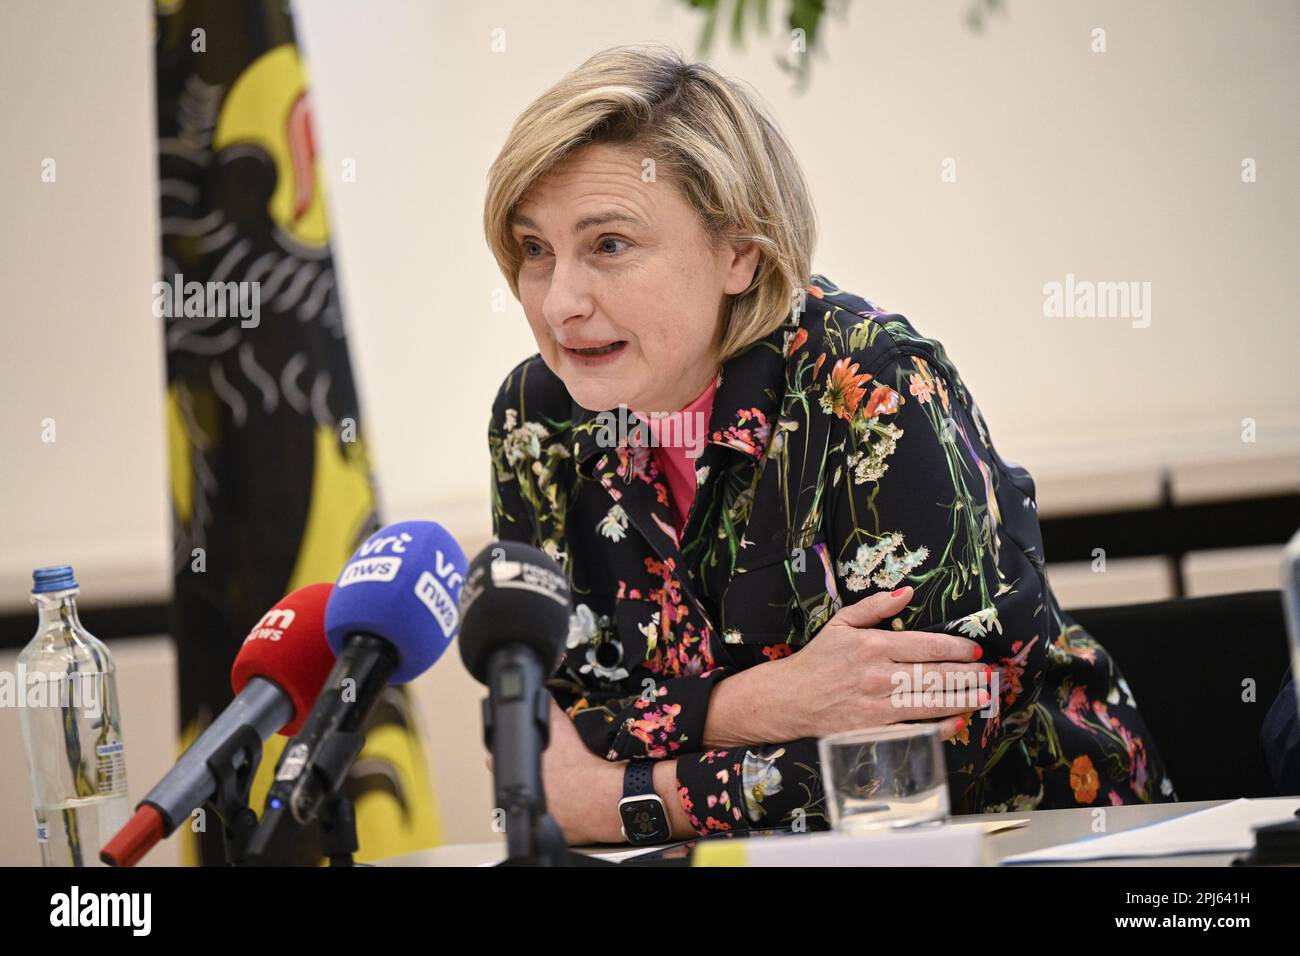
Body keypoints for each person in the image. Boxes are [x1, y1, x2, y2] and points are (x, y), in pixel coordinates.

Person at [482, 45, 1176, 845]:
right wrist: (760, 704)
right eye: (535, 250)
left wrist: (620, 797)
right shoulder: (537, 419)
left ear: (738, 253)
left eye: (608, 244)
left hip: (1041, 836)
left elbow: (936, 743)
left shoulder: (865, 385)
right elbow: (542, 725)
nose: (560, 301)